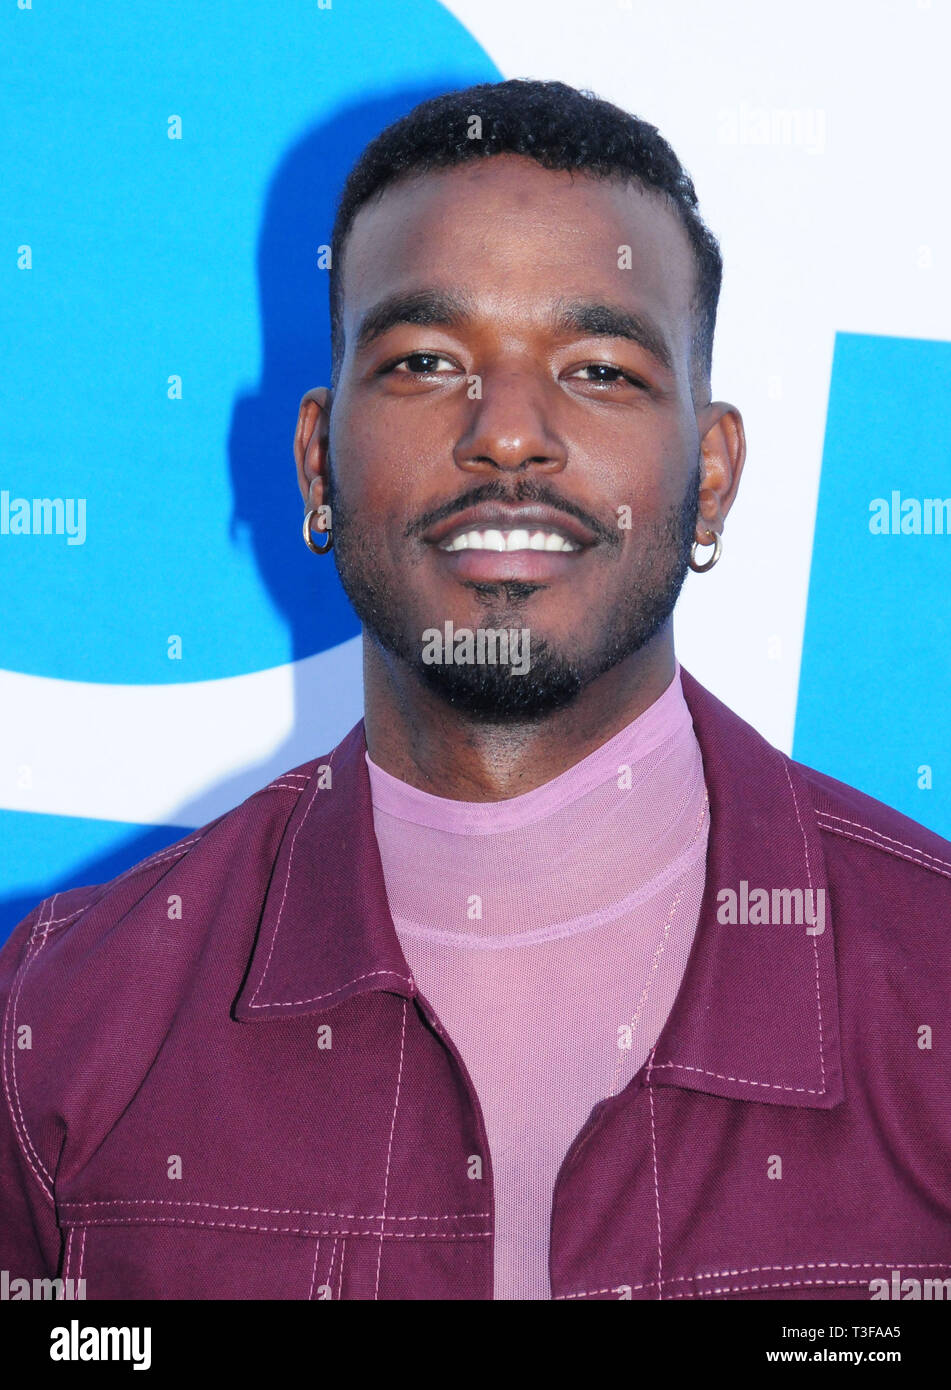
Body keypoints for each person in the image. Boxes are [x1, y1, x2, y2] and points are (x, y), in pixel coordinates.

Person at [2, 79, 949, 1303]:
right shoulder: (67, 1016)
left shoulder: (927, 983)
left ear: (711, 477)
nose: (508, 433)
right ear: (315, 459)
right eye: (426, 360)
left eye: (600, 368)